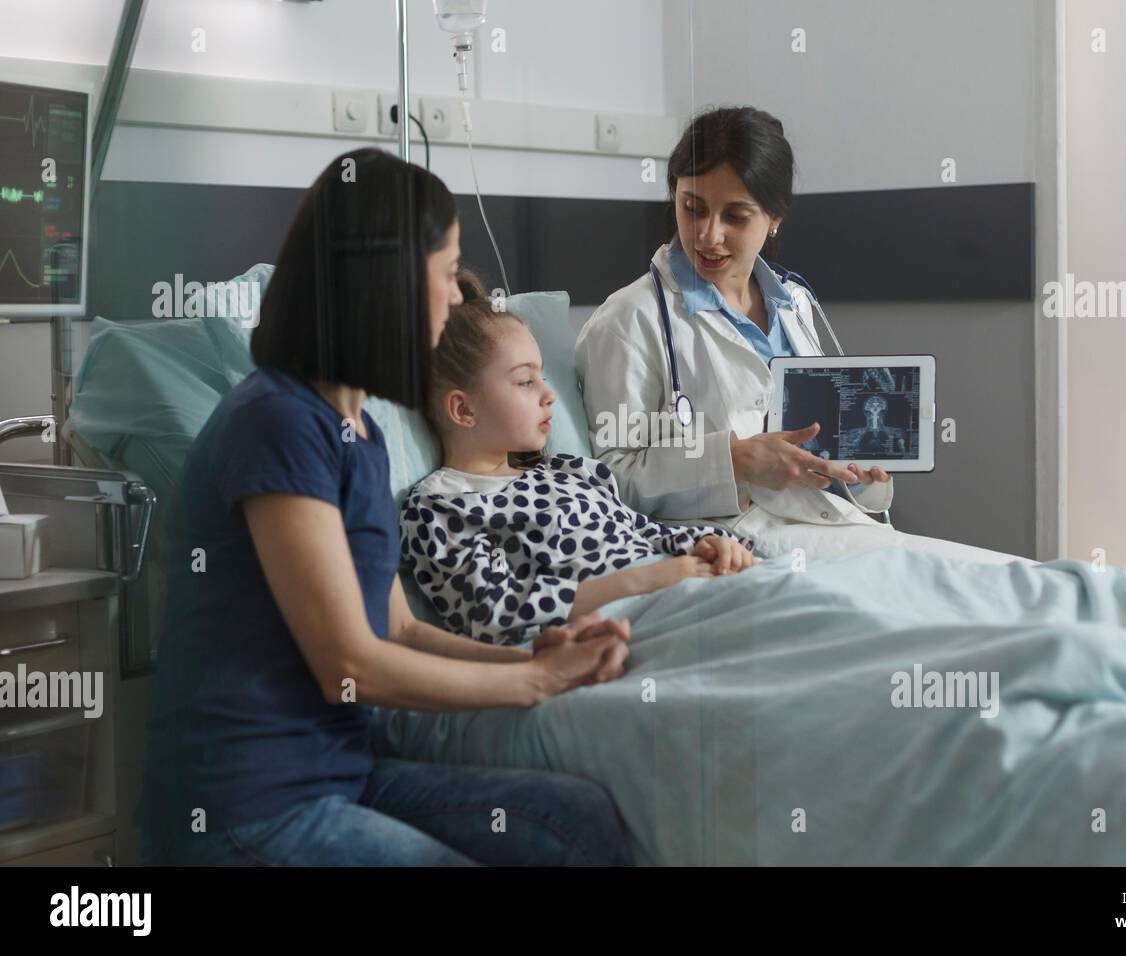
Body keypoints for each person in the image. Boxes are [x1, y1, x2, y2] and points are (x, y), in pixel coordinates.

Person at [137, 148, 633, 867]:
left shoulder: (359, 431)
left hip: (342, 777)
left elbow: (396, 628)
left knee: (572, 820)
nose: (456, 300)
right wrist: (531, 683)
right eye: (443, 273)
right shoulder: (277, 422)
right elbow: (349, 661)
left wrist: (529, 653)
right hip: (246, 811)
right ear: (387, 282)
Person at [575, 106, 1030, 565]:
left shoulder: (794, 304)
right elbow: (609, 479)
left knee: (1016, 580)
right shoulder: (629, 321)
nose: (708, 235)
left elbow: (827, 453)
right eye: (693, 208)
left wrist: (861, 478)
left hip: (828, 527)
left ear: (774, 218)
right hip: (737, 544)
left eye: (735, 216)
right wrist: (734, 460)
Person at [400, 274, 757, 645]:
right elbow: (493, 615)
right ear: (463, 409)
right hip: (630, 622)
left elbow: (648, 531)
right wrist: (645, 580)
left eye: (542, 376)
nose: (548, 394)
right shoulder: (440, 507)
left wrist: (711, 544)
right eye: (525, 382)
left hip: (687, 586)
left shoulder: (567, 471)